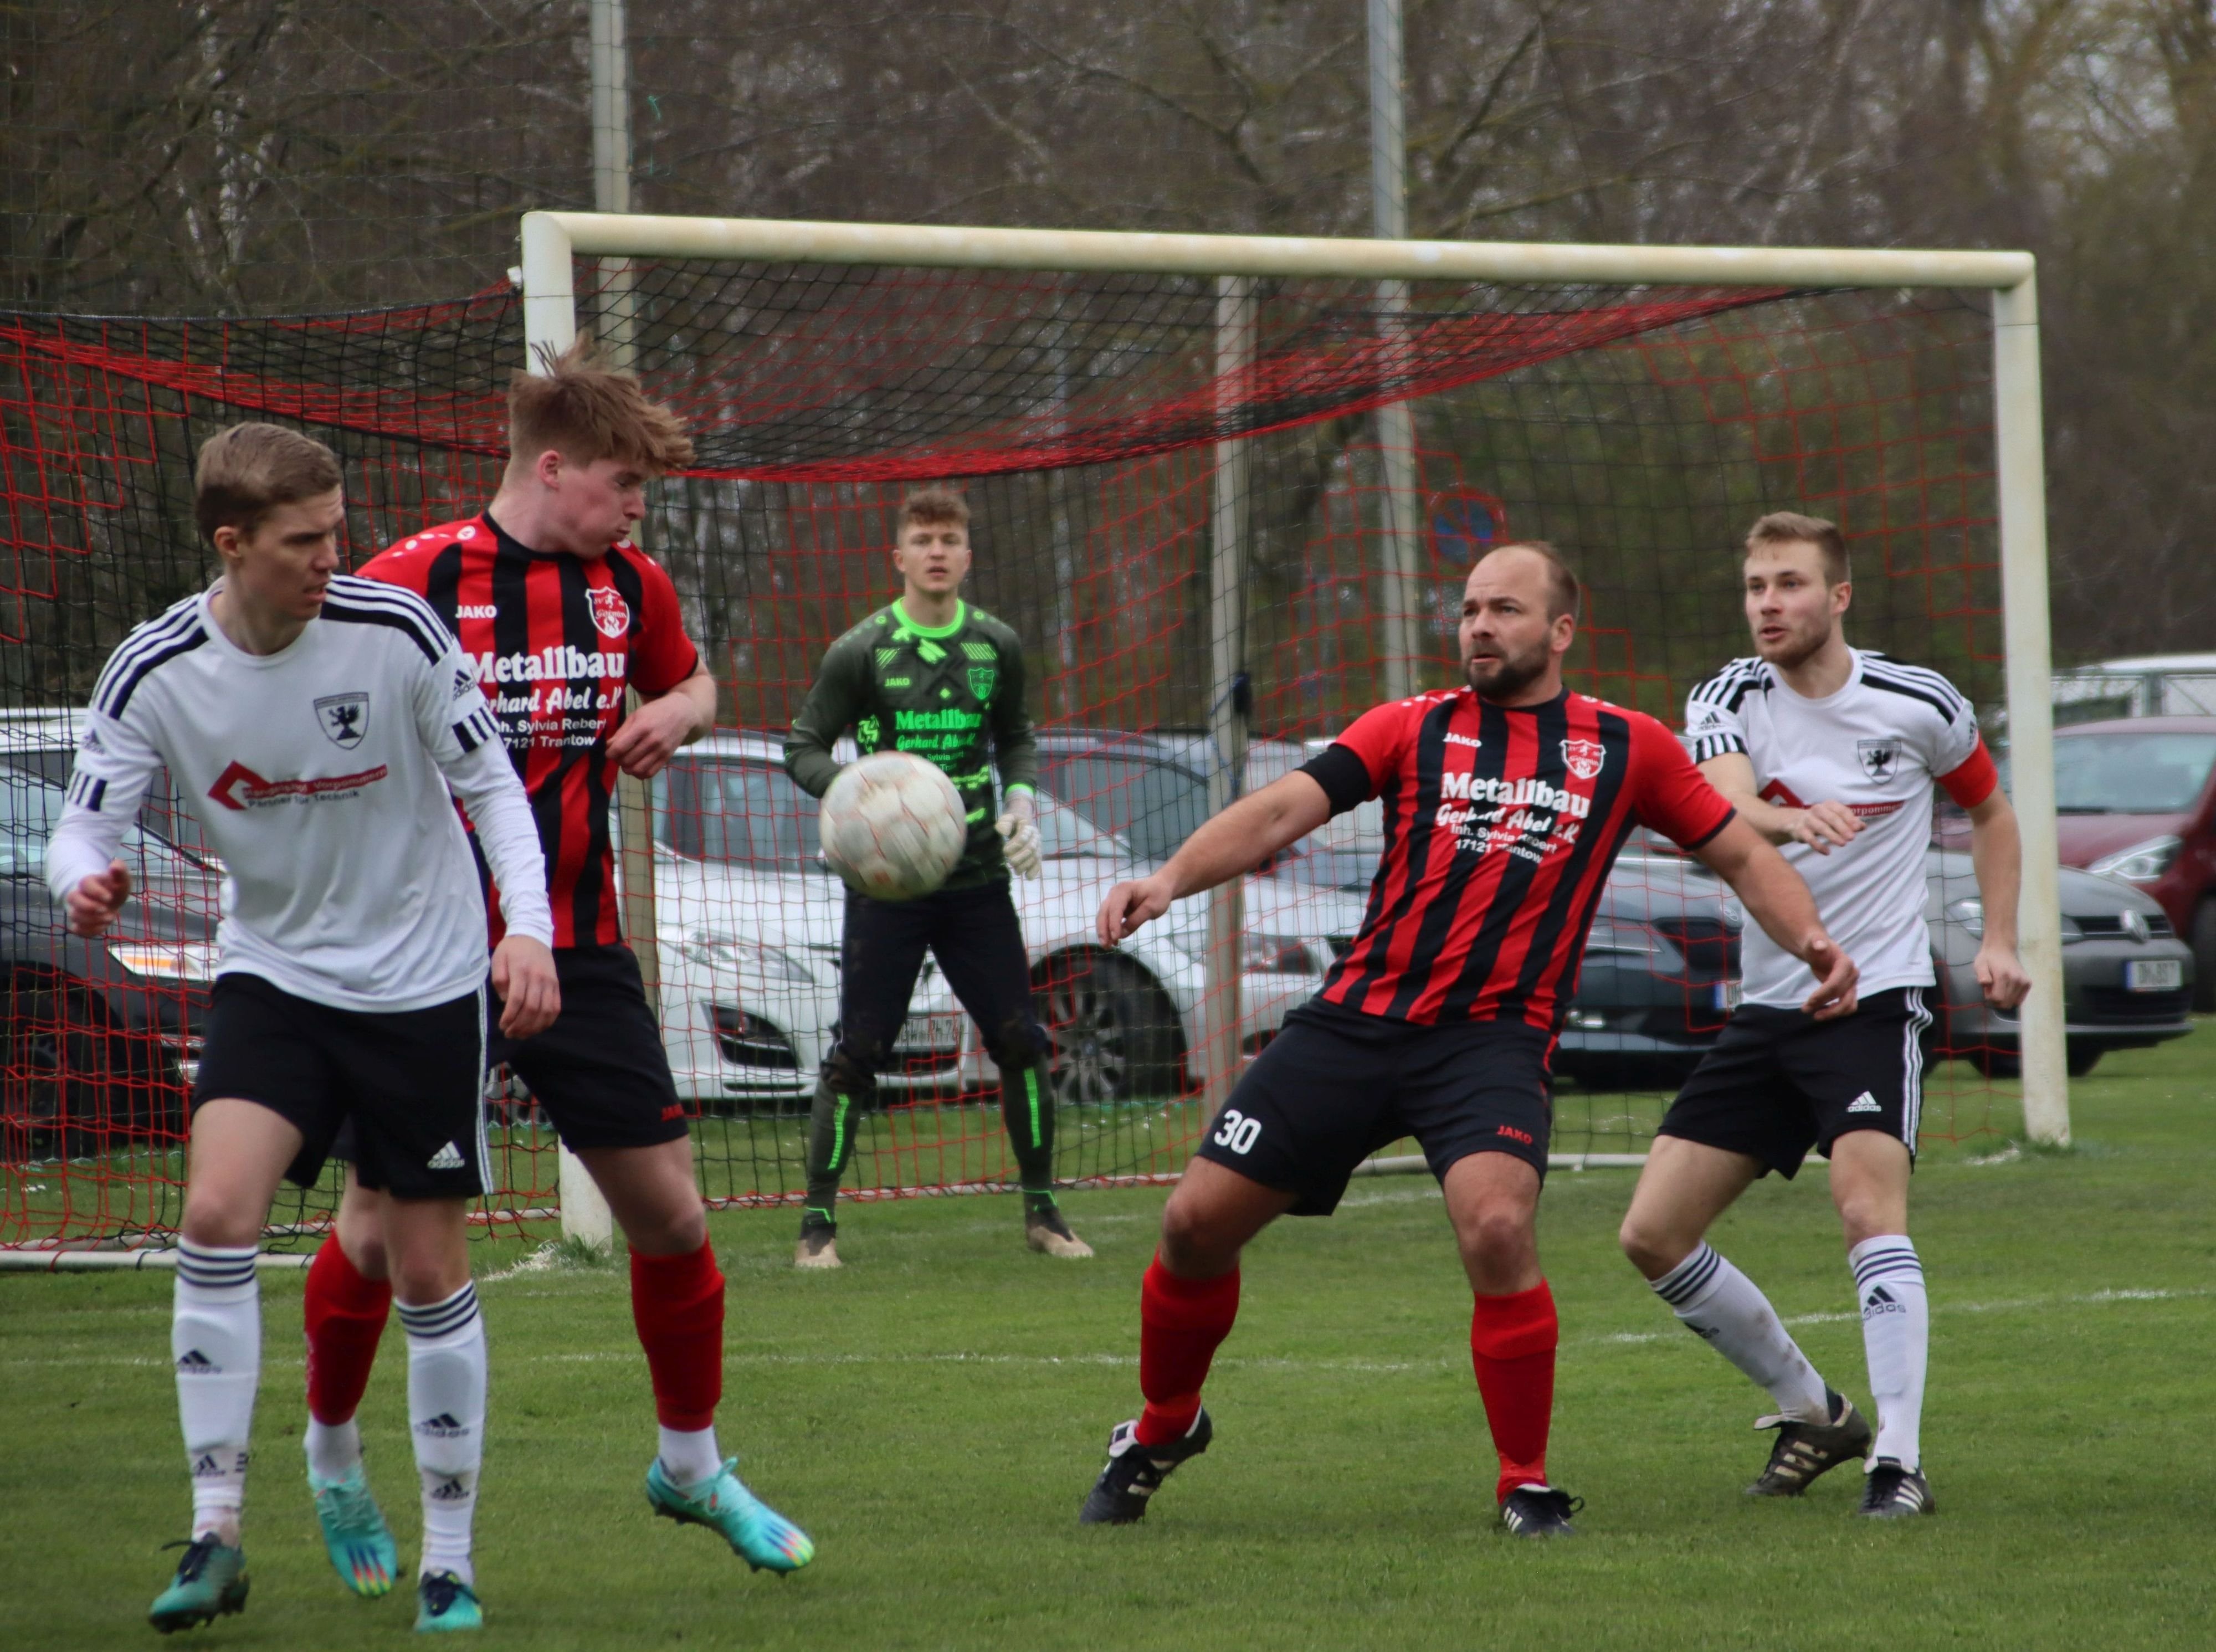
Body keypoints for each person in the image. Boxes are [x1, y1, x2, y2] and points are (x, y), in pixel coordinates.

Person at [1075, 541, 1859, 1538]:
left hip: (1490, 1042)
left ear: (1561, 629)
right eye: (1470, 609)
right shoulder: (1411, 726)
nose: (1480, 625)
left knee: (1497, 1226)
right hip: (1357, 1021)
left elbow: (1744, 852)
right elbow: (1282, 809)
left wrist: (1814, 940)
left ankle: (1524, 1483)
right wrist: (1170, 877)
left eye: (1505, 609)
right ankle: (1161, 1427)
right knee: (1193, 1226)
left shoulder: (1628, 747)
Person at [300, 337, 814, 1583]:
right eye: (625, 482)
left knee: (672, 1214)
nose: (639, 509)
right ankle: (330, 1463)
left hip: (579, 945)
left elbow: (696, 684)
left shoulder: (629, 586)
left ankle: (689, 1465)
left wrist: (677, 712)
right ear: (553, 466)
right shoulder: (408, 579)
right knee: (374, 1227)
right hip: (425, 957)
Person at [49, 424, 561, 1633]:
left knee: (425, 1268)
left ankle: (449, 1559)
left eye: (339, 530)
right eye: (303, 541)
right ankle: (217, 1530)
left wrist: (524, 932)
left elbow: (491, 786)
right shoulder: (154, 666)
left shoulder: (395, 632)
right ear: (231, 545)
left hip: (427, 984)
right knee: (217, 1213)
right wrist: (85, 878)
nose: (335, 555)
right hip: (275, 975)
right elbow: (85, 822)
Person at [1616, 511, 2029, 1520]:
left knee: (1864, 1210)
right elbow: (1720, 799)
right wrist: (1784, 818)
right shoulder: (1727, 695)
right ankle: (1814, 1408)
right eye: (1756, 585)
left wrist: (2001, 940)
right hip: (1769, 1006)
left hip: (1877, 998)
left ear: (1838, 597)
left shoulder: (1916, 701)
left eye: (1790, 584)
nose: (1769, 604)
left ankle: (1899, 1459)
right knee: (1651, 1233)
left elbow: (1992, 810)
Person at [783, 485, 1086, 1268]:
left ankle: (1044, 1214)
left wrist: (1021, 802)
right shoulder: (862, 649)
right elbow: (804, 745)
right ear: (900, 556)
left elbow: (1016, 736)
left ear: (968, 554)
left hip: (978, 878)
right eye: (923, 539)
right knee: (861, 1048)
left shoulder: (998, 644)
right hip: (888, 887)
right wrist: (855, 801)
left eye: (950, 538)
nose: (938, 551)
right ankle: (817, 1225)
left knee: (1020, 1038)